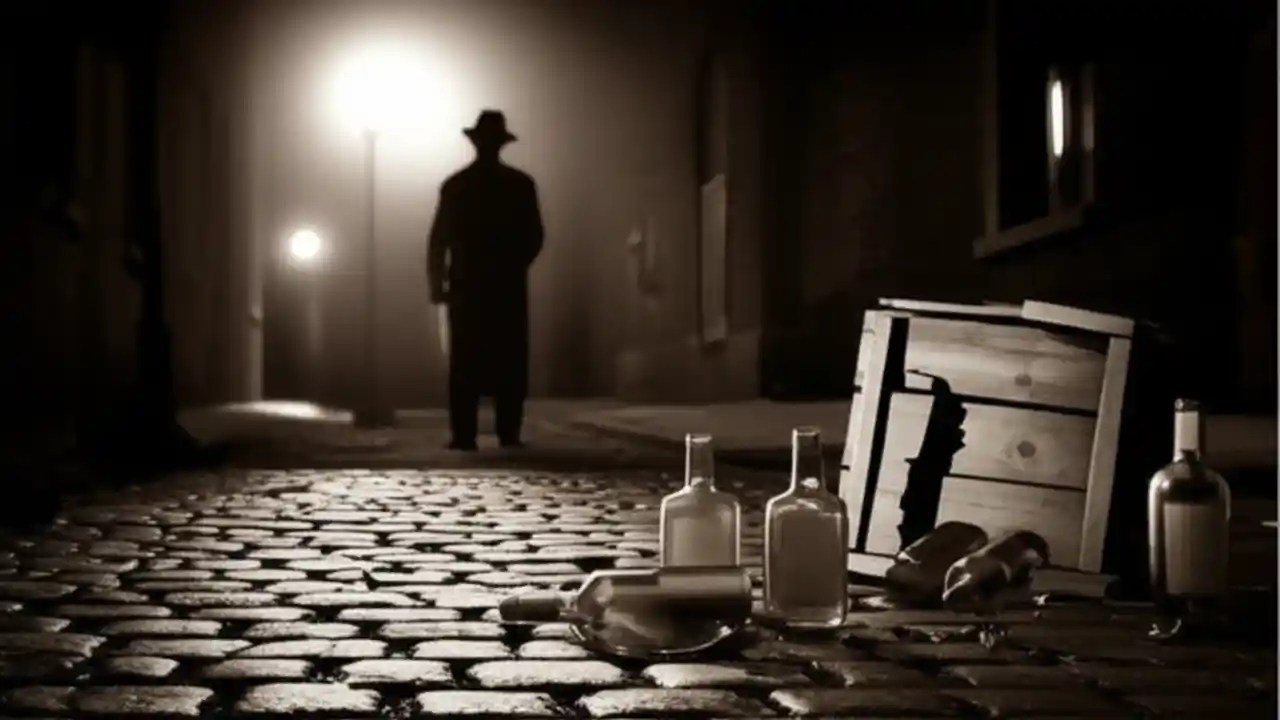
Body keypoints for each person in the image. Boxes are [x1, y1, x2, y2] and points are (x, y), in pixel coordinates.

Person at [427, 110, 543, 451]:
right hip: (506, 284)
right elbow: (535, 235)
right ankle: (508, 431)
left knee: (465, 360)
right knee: (509, 358)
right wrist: (515, 263)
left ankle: (465, 434)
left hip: (467, 282)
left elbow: (439, 240)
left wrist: (437, 282)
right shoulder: (520, 185)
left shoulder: (456, 185)